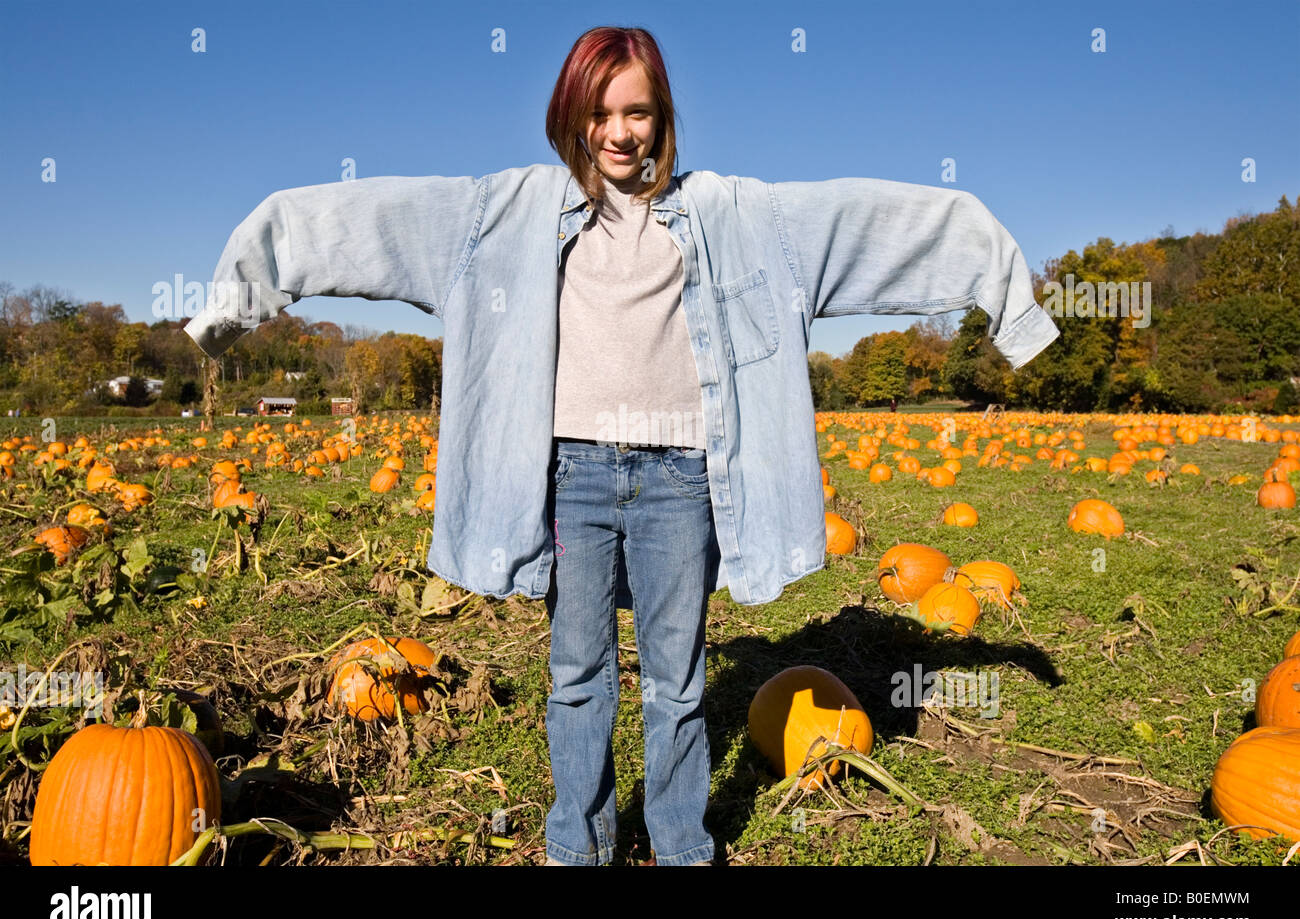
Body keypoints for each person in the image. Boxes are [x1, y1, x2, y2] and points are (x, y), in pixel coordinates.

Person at [183, 25, 1059, 868]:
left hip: (681, 477)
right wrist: (236, 297)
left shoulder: (732, 215)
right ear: (572, 115)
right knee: (577, 674)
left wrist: (1001, 287)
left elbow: (872, 223)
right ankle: (579, 842)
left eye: (636, 112)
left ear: (662, 116)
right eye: (599, 113)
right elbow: (361, 219)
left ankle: (681, 844)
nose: (618, 132)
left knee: (678, 680)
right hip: (573, 477)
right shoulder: (507, 212)